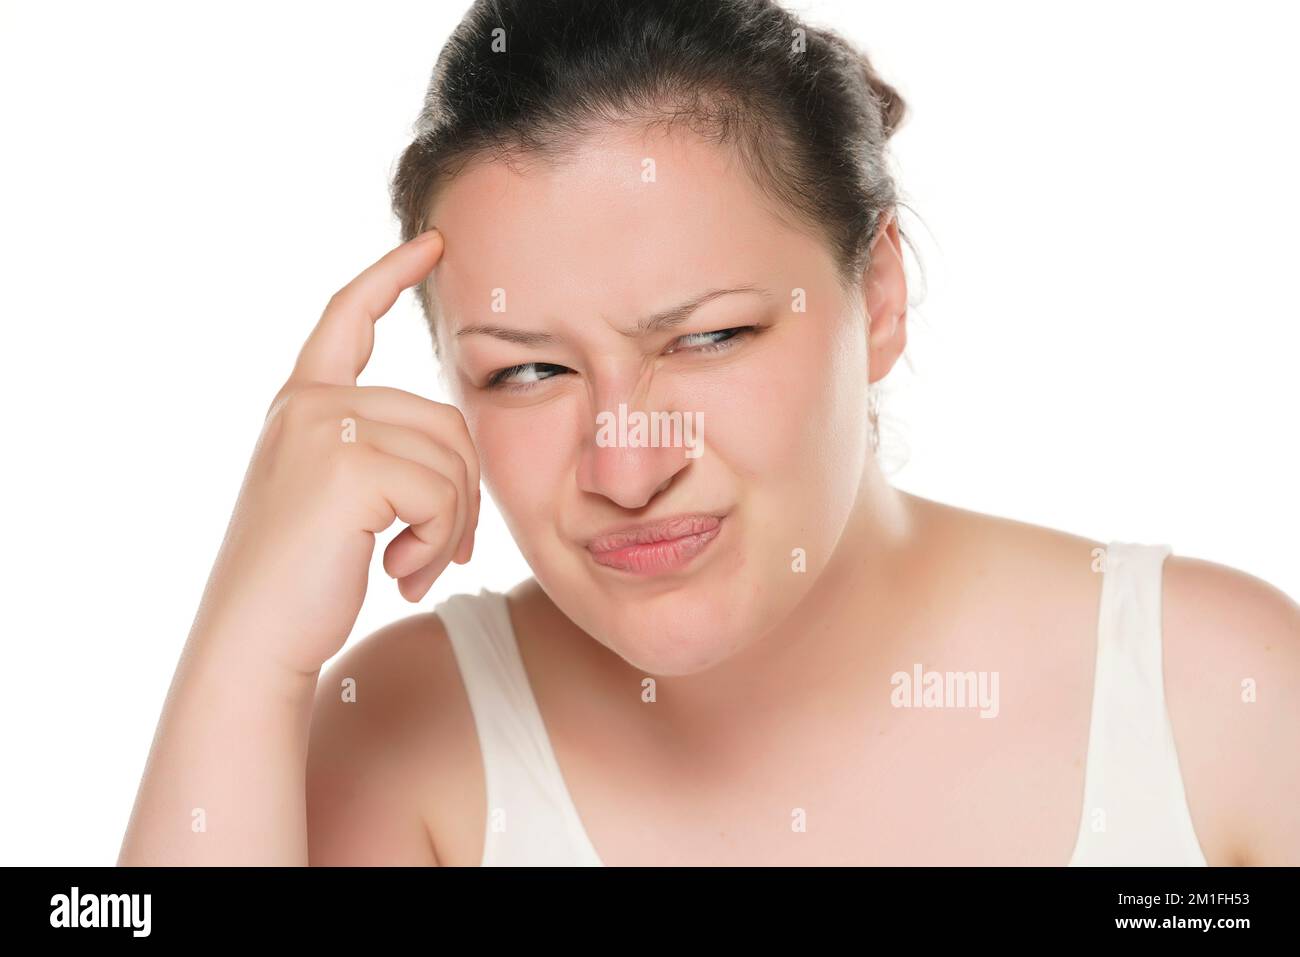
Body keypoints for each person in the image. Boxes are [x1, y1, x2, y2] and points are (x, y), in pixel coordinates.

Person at [118, 0, 1299, 866]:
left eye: (710, 338)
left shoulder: (1215, 693)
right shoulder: (415, 749)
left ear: (877, 298)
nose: (627, 469)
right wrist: (247, 647)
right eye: (528, 368)